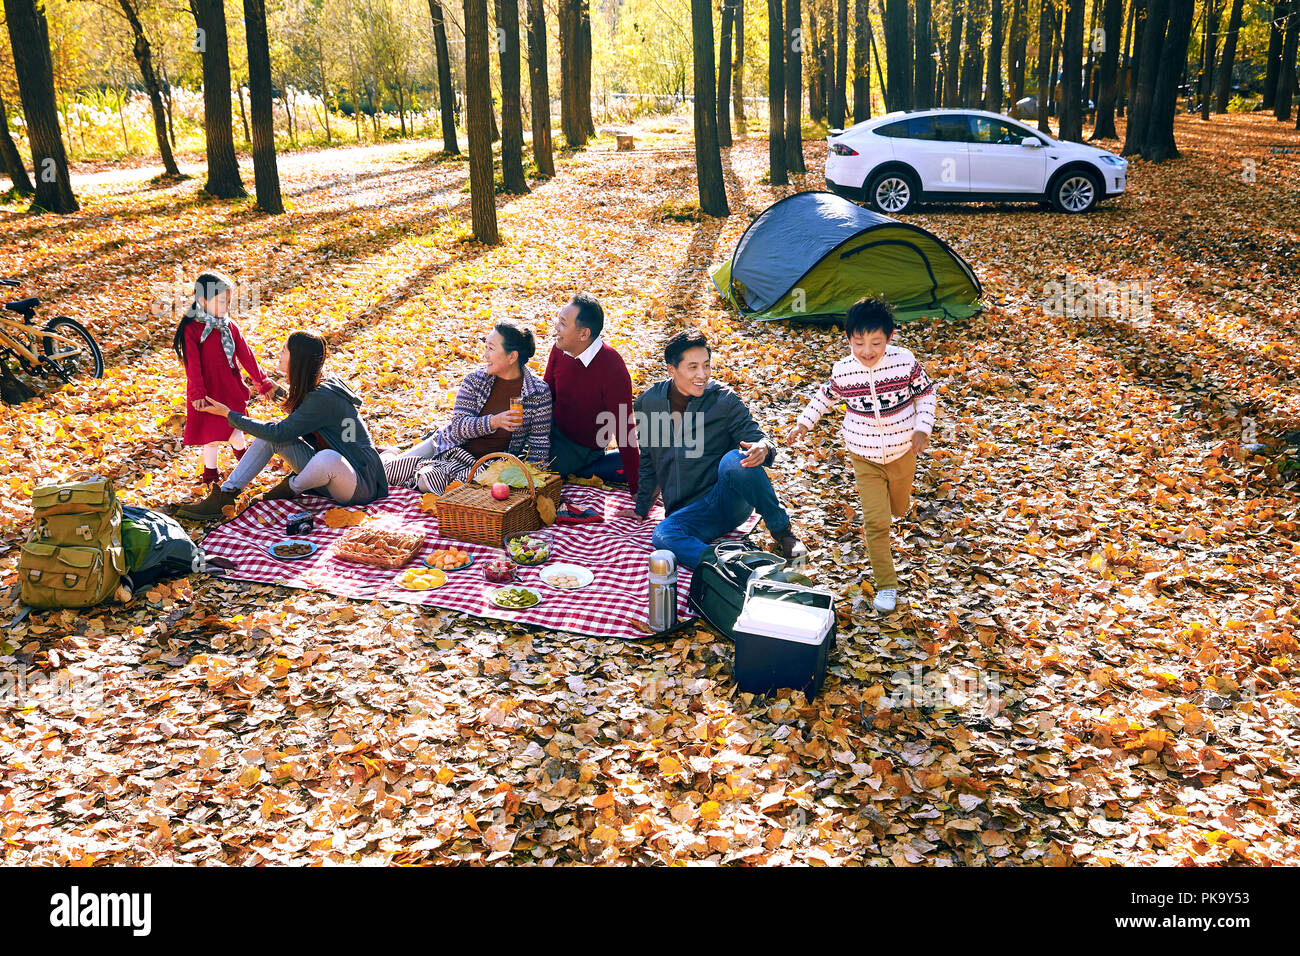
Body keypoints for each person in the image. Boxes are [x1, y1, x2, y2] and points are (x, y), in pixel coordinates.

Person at [789, 296, 937, 613]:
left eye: (875, 343)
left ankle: (897, 504)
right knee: (876, 522)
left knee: (899, 506)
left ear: (890, 337)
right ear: (848, 339)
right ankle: (886, 585)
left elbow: (926, 395)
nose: (867, 351)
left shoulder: (905, 362)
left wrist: (922, 429)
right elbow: (824, 398)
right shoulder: (843, 371)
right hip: (864, 455)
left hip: (903, 451)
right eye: (859, 344)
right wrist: (804, 423)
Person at [617, 329, 806, 569]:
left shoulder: (724, 400)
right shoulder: (648, 403)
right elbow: (648, 459)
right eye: (693, 367)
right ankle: (731, 567)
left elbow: (758, 439)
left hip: (725, 499)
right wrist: (642, 507)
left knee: (735, 459)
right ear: (671, 370)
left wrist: (763, 448)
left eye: (706, 366)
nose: (702, 374)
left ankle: (783, 532)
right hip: (688, 512)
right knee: (663, 536)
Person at [176, 331, 387, 519]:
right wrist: (275, 393)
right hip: (335, 474)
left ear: (298, 359)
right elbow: (304, 414)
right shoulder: (318, 390)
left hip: (358, 483)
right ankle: (225, 496)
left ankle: (289, 488)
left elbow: (283, 430)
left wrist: (229, 415)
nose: (280, 352)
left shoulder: (323, 396)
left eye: (284, 349)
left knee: (321, 455)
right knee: (270, 439)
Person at [383, 320, 551, 493]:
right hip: (447, 445)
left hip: (483, 465)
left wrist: (534, 481)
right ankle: (391, 454)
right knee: (384, 473)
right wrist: (493, 422)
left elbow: (539, 443)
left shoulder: (537, 393)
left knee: (428, 482)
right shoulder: (476, 380)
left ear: (512, 356)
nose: (485, 355)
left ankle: (421, 472)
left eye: (491, 348)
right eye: (485, 347)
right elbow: (457, 428)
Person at [172, 270, 277, 487]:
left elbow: (246, 356)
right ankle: (210, 476)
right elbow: (193, 366)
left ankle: (247, 466)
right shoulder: (192, 329)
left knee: (234, 430)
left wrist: (262, 381)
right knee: (210, 436)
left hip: (229, 386)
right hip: (207, 390)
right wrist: (197, 394)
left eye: (228, 301)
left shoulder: (229, 326)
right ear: (202, 301)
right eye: (221, 301)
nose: (226, 307)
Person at [543, 293, 639, 492]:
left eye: (563, 323)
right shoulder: (560, 348)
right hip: (551, 429)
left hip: (581, 447)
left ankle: (597, 468)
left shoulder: (612, 368)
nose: (556, 328)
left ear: (584, 334)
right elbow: (546, 394)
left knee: (541, 474)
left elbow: (624, 428)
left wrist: (638, 489)